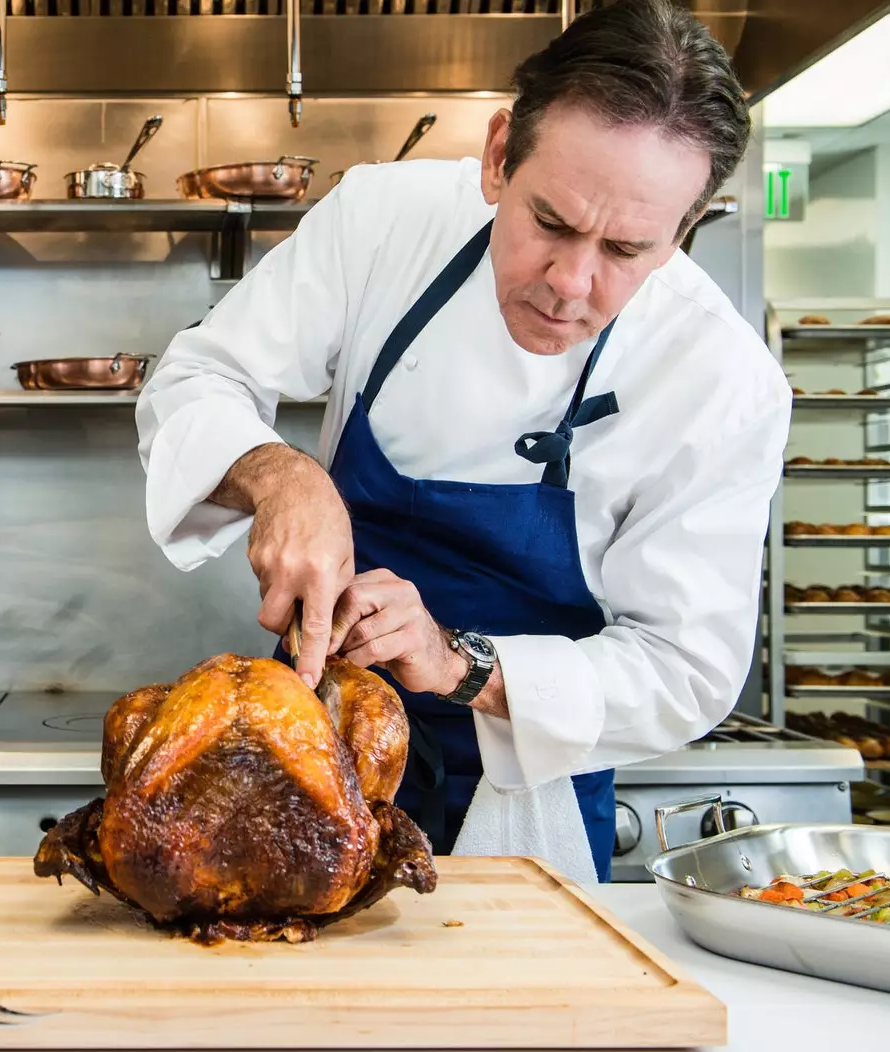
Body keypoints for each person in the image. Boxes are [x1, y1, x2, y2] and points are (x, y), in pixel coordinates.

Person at [133, 0, 789, 883]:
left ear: (687, 226)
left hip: (532, 788)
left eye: (629, 248)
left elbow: (685, 669)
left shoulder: (721, 380)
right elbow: (193, 381)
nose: (571, 283)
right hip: (313, 750)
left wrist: (458, 664)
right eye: (550, 222)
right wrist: (279, 474)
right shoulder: (385, 221)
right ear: (496, 157)